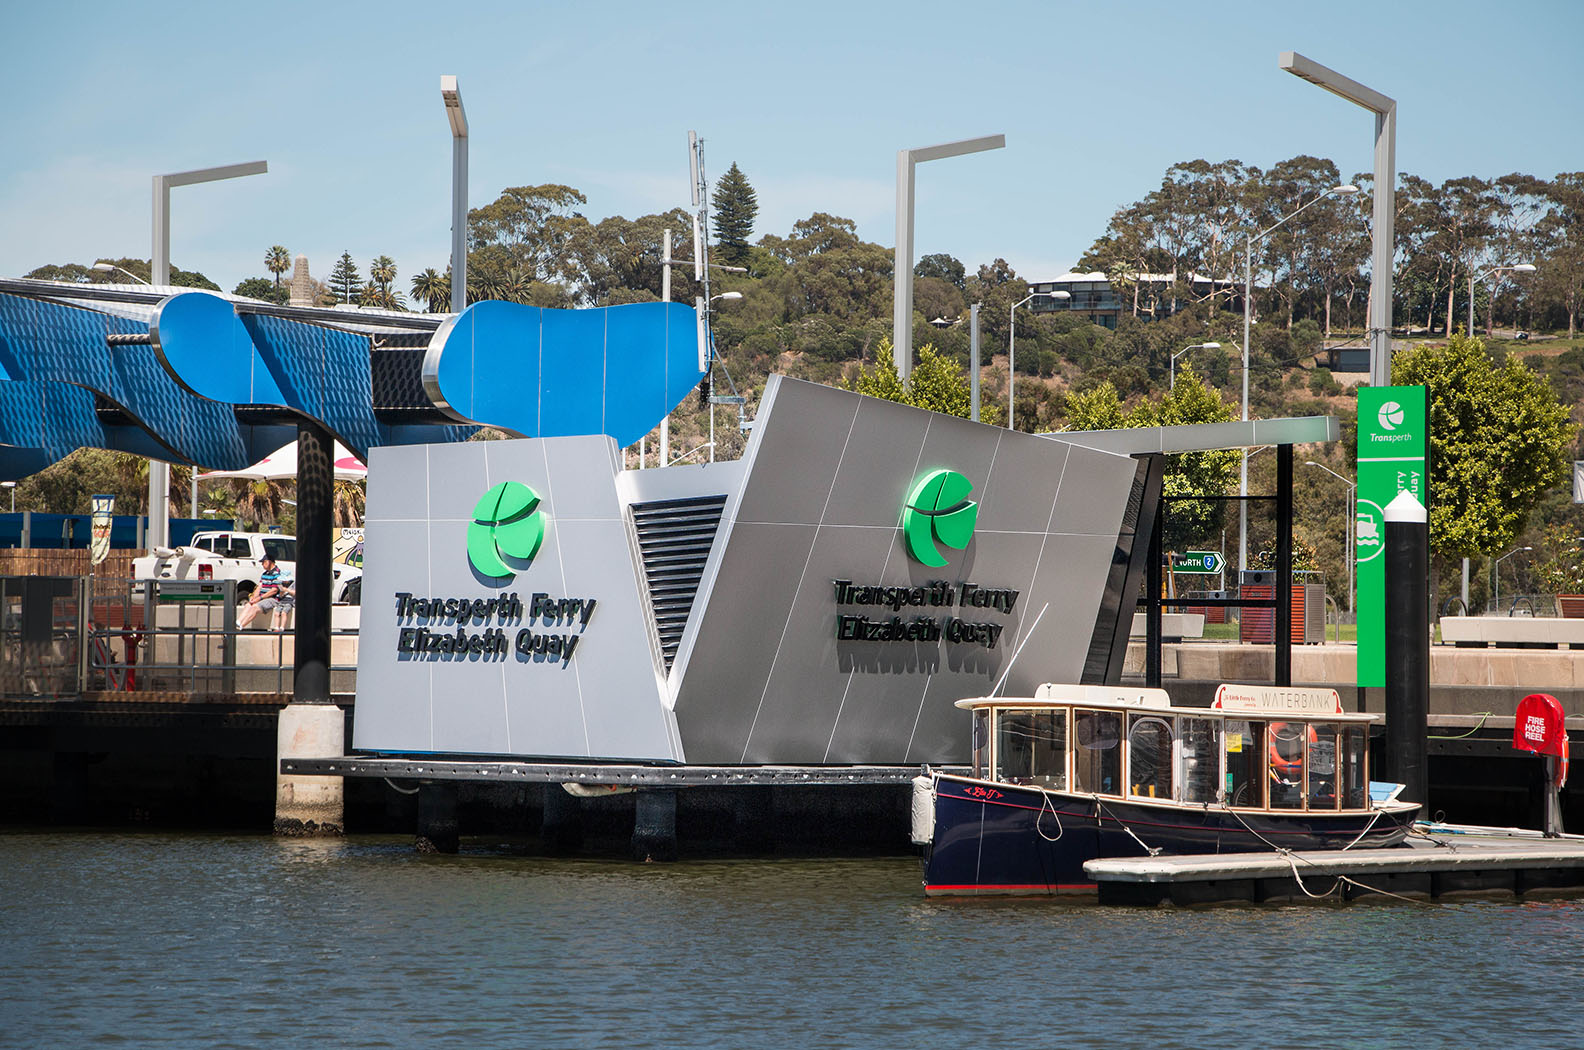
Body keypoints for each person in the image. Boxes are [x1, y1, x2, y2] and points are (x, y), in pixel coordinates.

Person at [237, 555, 284, 629]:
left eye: (263, 562)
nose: (262, 564)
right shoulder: (264, 574)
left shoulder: (277, 573)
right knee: (248, 605)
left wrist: (259, 598)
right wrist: (253, 597)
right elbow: (259, 587)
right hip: (262, 598)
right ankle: (238, 622)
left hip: (272, 599)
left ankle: (241, 626)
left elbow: (274, 590)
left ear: (269, 562)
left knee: (255, 607)